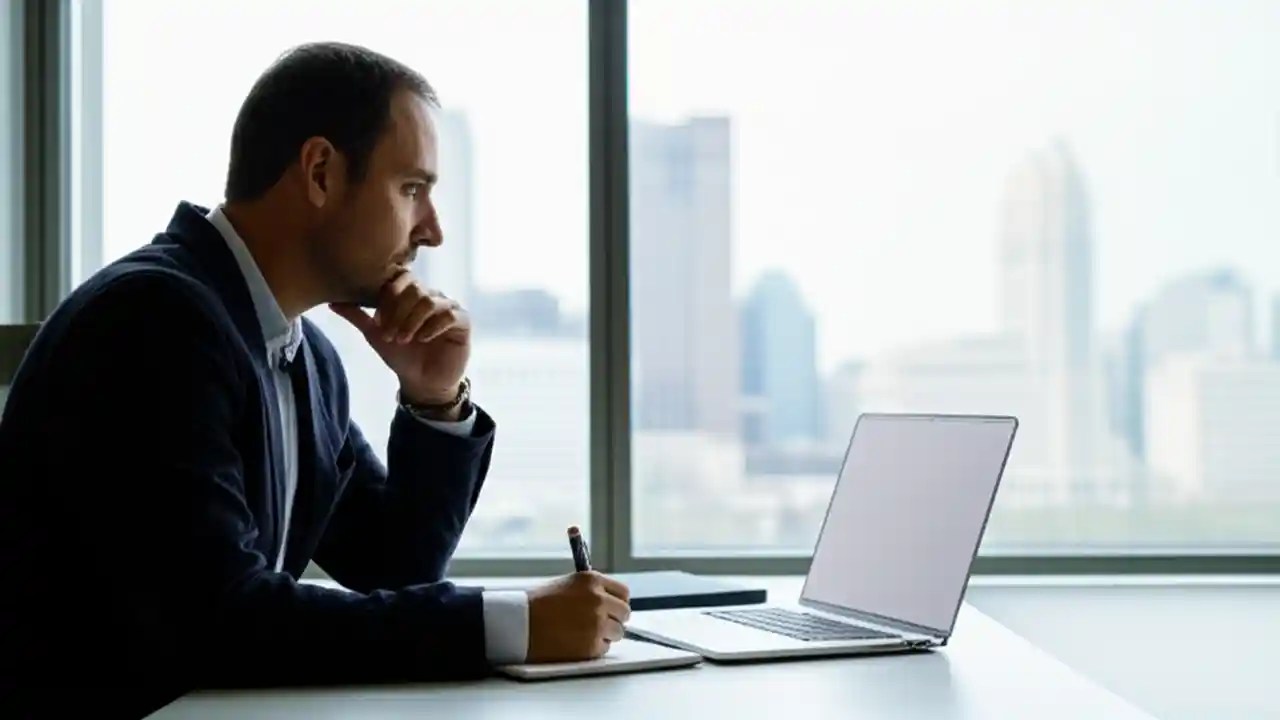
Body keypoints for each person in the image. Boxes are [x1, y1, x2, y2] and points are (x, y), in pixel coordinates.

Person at [0, 41, 630, 717]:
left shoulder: (305, 359)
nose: (432, 231)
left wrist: (433, 398)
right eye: (412, 188)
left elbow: (393, 567)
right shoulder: (155, 321)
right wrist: (510, 624)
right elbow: (220, 619)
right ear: (322, 172)